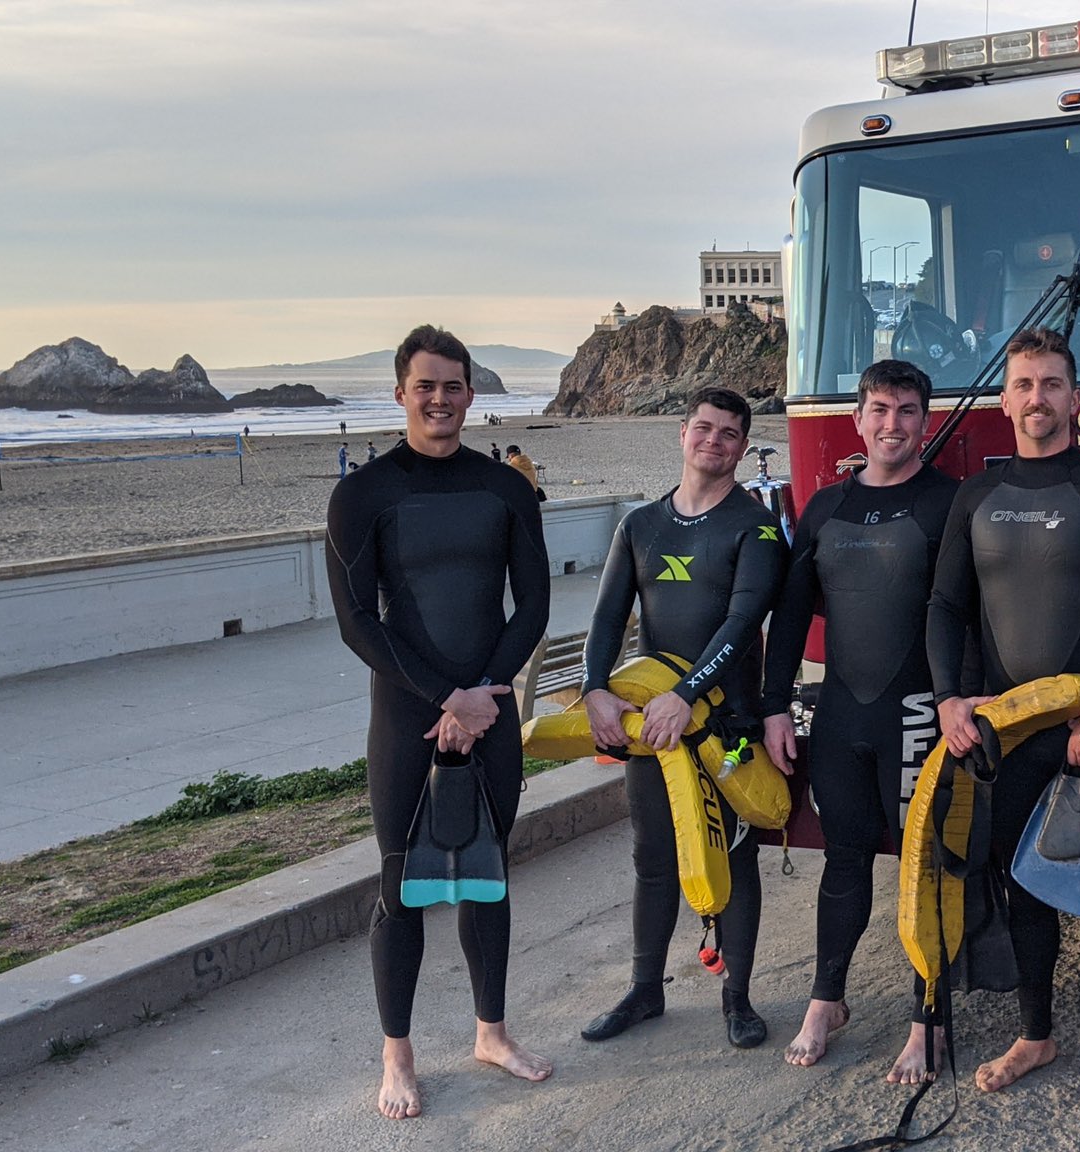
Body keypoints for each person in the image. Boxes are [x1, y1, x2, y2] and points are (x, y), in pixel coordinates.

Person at [927, 327, 1080, 1152]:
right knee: (1024, 891)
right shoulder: (977, 496)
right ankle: (1037, 1032)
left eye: (1053, 385)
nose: (1038, 399)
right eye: (1024, 384)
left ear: (1077, 399)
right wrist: (950, 698)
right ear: (1006, 399)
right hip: (1007, 733)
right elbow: (945, 608)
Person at [324, 324, 554, 1119]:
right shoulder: (364, 495)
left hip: (489, 711)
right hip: (406, 717)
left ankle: (491, 1031)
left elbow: (535, 605)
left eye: (453, 385)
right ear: (400, 393)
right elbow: (358, 622)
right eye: (425, 386)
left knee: (488, 878)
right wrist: (448, 700)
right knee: (403, 888)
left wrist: (484, 695)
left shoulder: (506, 488)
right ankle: (398, 1056)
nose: (440, 399)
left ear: (471, 392)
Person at [761, 360, 959, 1078]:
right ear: (858, 419)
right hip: (841, 714)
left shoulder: (949, 504)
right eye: (879, 409)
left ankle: (927, 1016)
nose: (892, 424)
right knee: (842, 859)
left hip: (917, 715)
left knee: (925, 868)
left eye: (907, 411)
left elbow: (966, 614)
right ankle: (826, 1000)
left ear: (925, 423)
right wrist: (775, 705)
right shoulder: (825, 508)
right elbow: (788, 618)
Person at [579, 386, 787, 1049]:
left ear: (741, 446)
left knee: (735, 854)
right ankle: (645, 991)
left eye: (729, 433)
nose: (714, 441)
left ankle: (738, 998)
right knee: (653, 858)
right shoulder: (640, 525)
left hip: (726, 727)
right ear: (681, 433)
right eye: (704, 428)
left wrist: (691, 692)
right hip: (656, 730)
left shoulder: (754, 526)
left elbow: (742, 619)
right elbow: (610, 619)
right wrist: (593, 688)